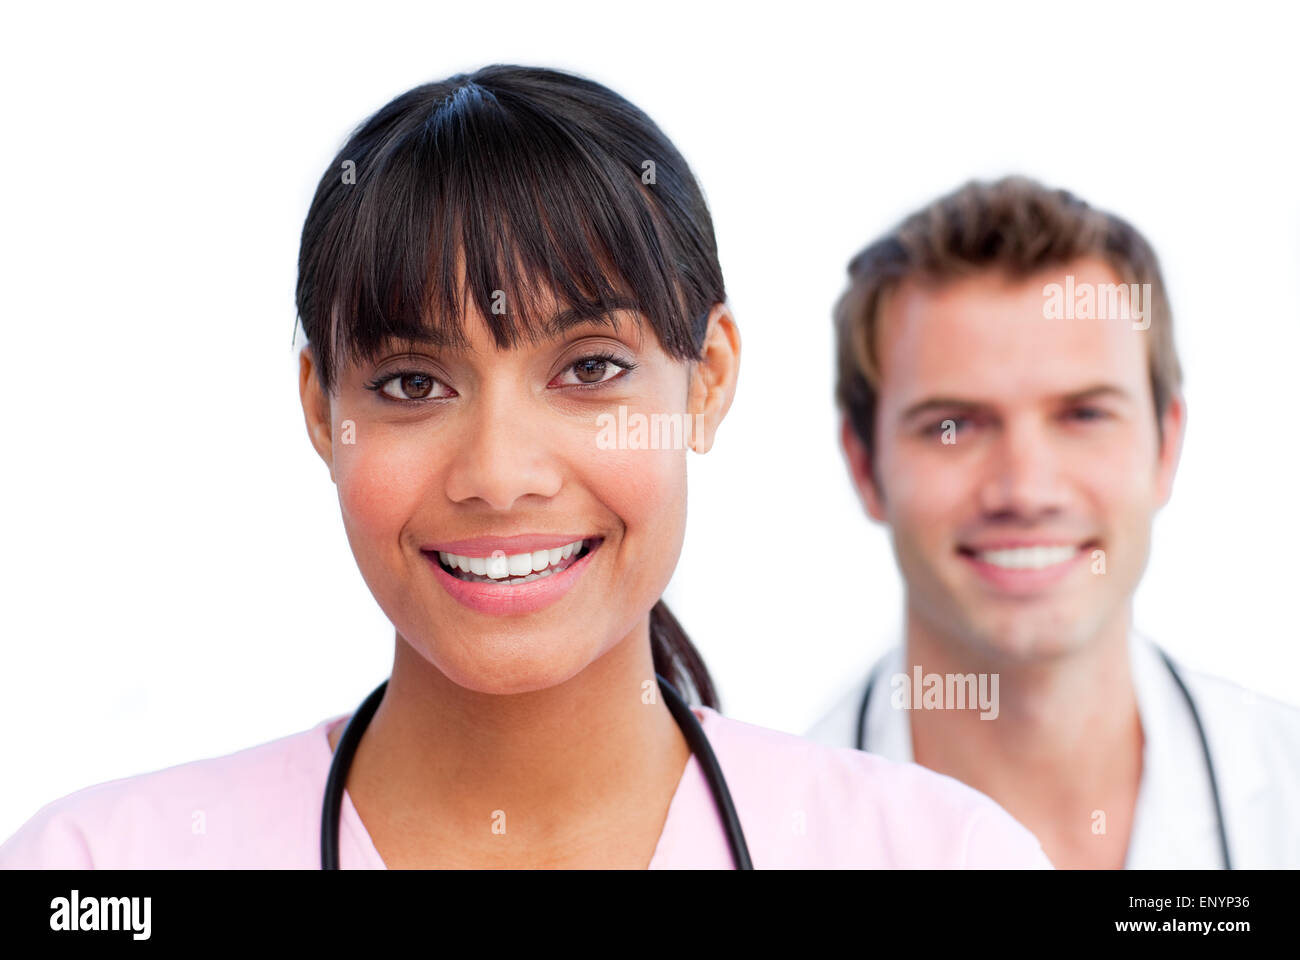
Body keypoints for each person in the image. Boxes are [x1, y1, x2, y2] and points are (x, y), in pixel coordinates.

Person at [0, 67, 1049, 869]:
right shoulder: (103, 870)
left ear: (709, 378)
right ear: (321, 409)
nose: (499, 475)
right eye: (412, 384)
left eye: (588, 367)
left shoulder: (937, 857)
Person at [806, 175, 1300, 868]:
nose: (1026, 489)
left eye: (1084, 415)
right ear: (864, 465)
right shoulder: (763, 839)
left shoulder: (1286, 803)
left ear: (1166, 445)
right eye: (953, 425)